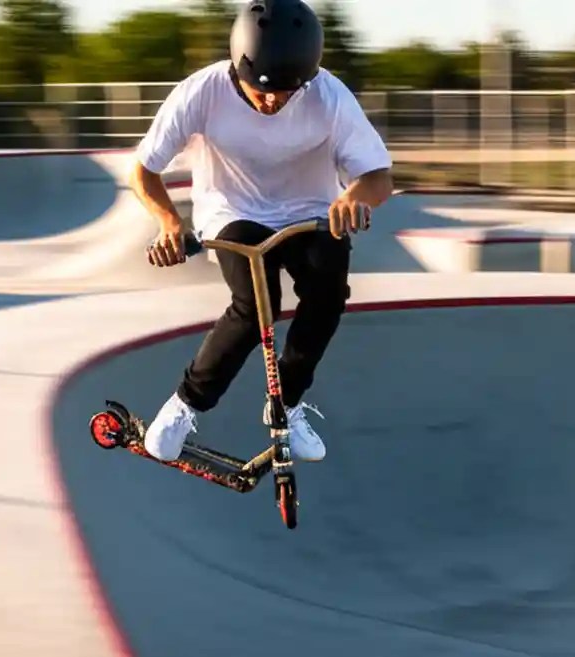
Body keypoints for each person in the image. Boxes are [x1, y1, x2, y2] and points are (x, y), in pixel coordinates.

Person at [129, 0, 394, 464]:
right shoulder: (201, 92)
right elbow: (144, 172)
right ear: (238, 67)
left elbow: (378, 177)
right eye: (260, 91)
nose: (272, 101)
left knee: (328, 292)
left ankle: (286, 406)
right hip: (232, 211)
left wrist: (355, 197)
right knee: (257, 305)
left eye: (286, 92)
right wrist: (169, 222)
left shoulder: (329, 96)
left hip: (311, 212)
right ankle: (184, 406)